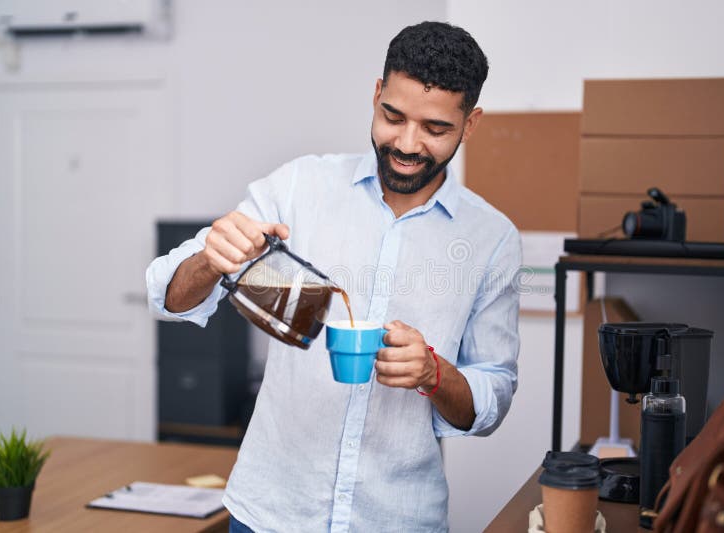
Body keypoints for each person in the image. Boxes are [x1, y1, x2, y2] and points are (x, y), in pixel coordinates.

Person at [146, 21, 521, 532]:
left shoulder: (492, 239)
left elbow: (493, 395)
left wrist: (435, 373)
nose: (407, 144)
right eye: (393, 116)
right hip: (270, 514)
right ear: (375, 95)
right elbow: (167, 295)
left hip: (398, 519)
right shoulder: (300, 185)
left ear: (470, 124)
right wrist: (211, 260)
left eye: (434, 129)